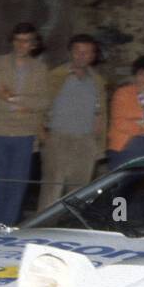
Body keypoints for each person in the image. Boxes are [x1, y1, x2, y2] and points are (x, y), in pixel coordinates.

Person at [0, 22, 52, 227]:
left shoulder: (41, 68)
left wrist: (12, 97)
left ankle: (9, 228)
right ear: (12, 41)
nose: (21, 45)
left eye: (26, 41)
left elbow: (44, 102)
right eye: (18, 40)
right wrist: (17, 105)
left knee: (18, 185)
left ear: (34, 44)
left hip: (25, 133)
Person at [40, 34, 108, 207]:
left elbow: (101, 113)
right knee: (51, 190)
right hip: (58, 138)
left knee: (79, 192)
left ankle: (70, 223)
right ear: (70, 52)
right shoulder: (55, 76)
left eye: (87, 52)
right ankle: (45, 223)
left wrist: (98, 144)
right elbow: (39, 106)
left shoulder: (97, 81)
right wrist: (43, 135)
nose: (81, 56)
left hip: (85, 141)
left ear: (93, 55)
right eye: (78, 51)